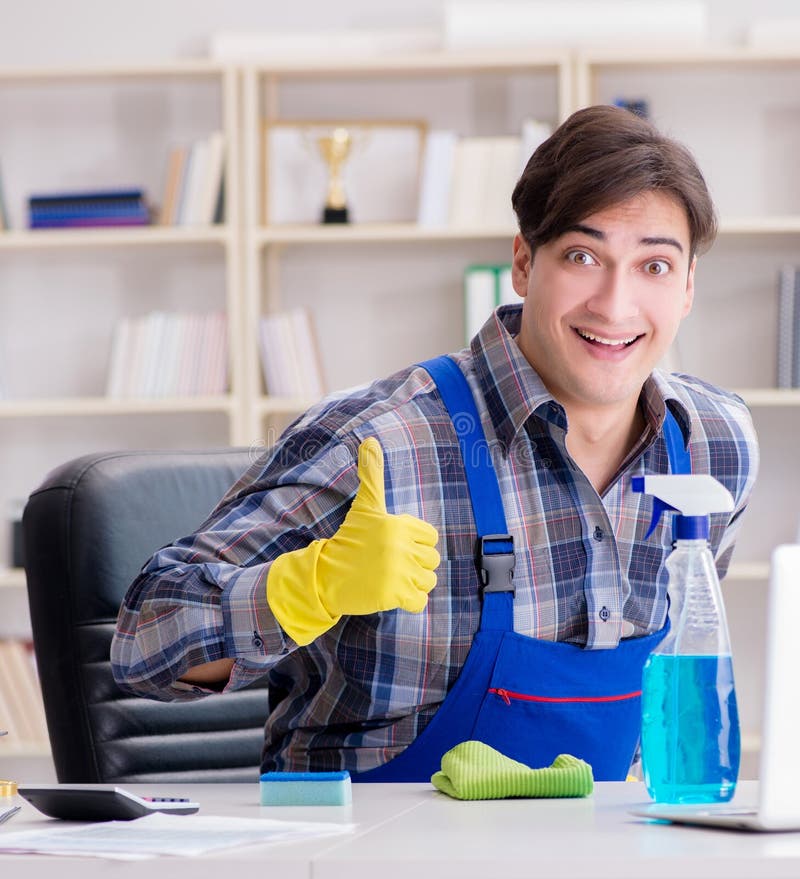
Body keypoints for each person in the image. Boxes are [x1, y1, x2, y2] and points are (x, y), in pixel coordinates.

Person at [111, 105, 758, 782]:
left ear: (687, 289)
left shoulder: (714, 447)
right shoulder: (383, 443)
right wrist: (308, 586)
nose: (615, 304)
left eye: (654, 266)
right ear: (523, 263)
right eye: (582, 256)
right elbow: (141, 642)